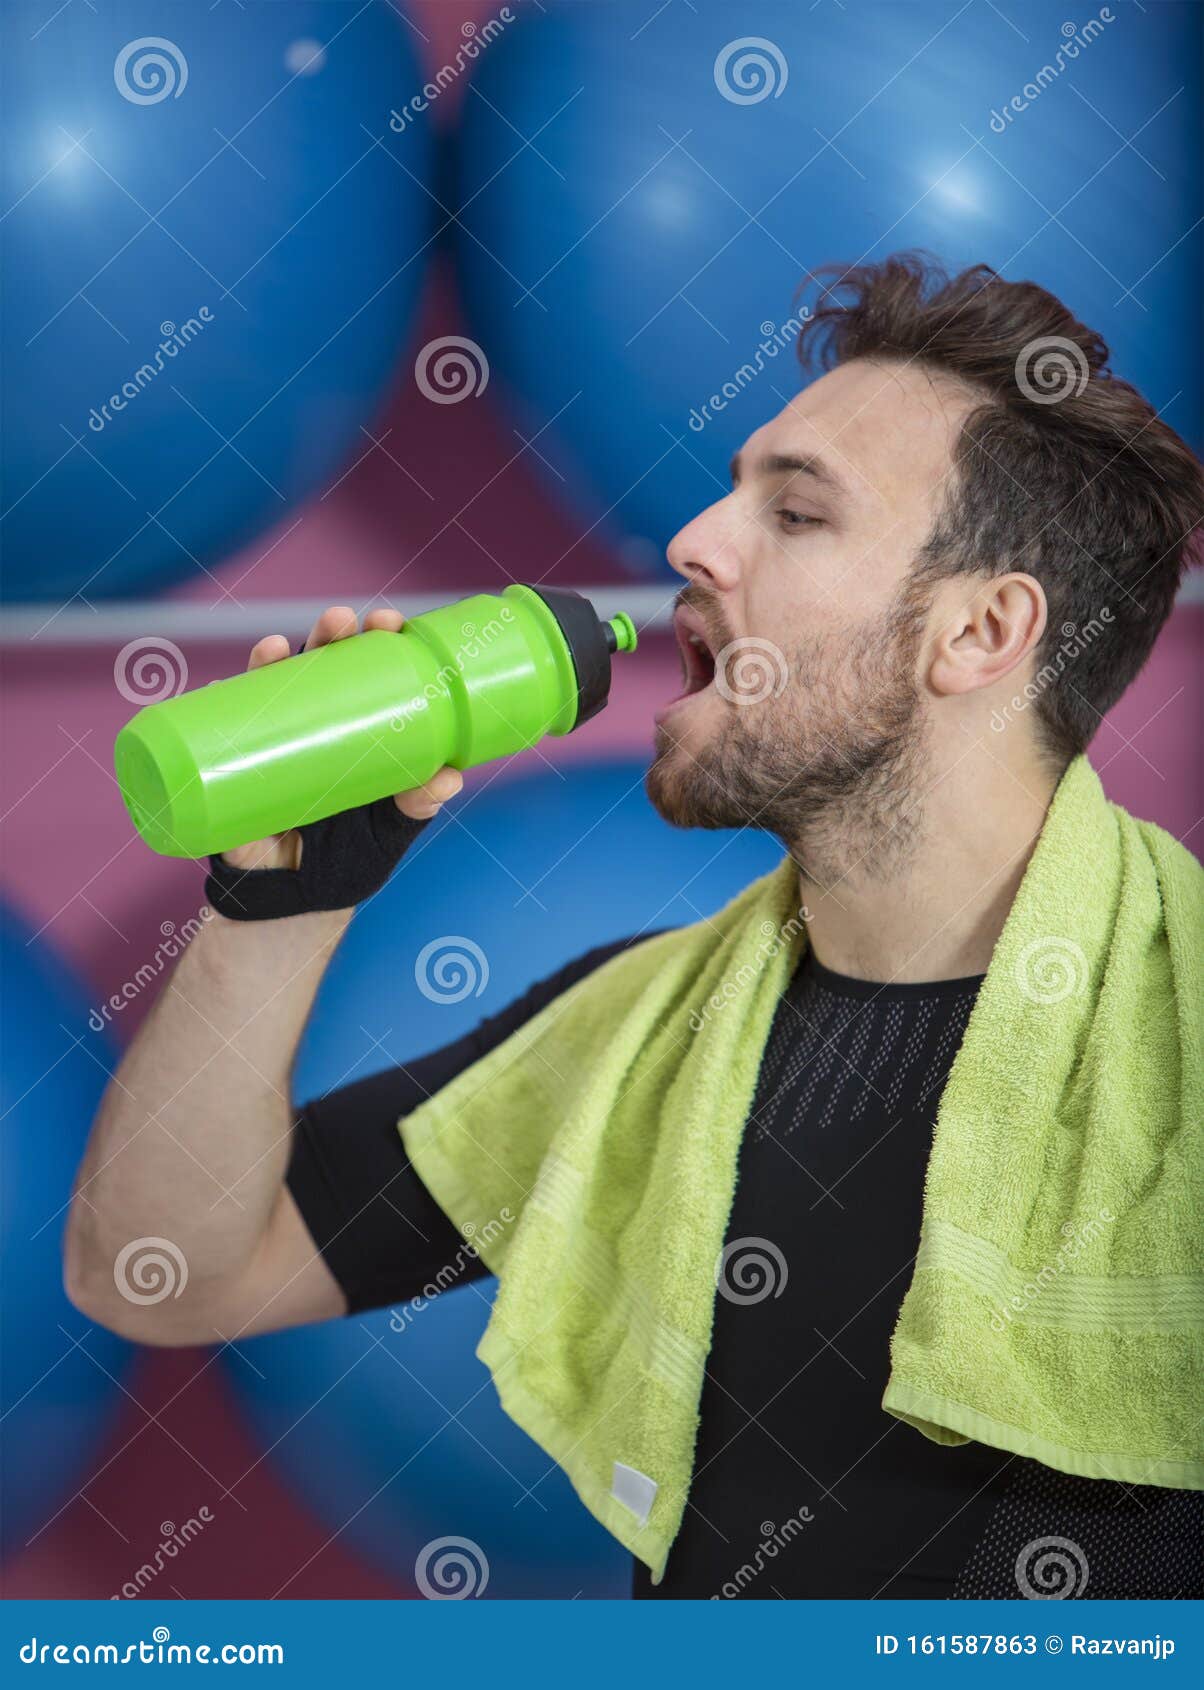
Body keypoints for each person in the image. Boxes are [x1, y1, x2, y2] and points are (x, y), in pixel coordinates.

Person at [66, 255, 1204, 1600]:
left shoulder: (1174, 1030)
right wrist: (278, 902)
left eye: (794, 511)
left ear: (979, 631)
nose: (692, 543)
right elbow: (161, 1273)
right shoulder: (648, 1036)